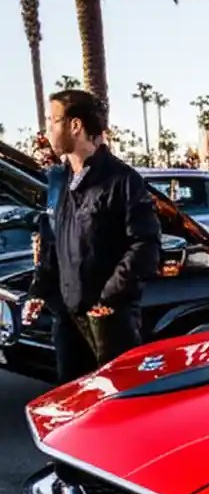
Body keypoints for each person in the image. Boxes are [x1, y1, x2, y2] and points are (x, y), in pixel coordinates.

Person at [23, 89, 162, 382]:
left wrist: (109, 298)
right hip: (68, 323)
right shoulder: (59, 180)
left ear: (75, 125)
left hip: (110, 324)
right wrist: (39, 290)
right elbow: (52, 240)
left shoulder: (122, 181)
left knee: (114, 407)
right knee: (74, 407)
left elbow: (145, 245)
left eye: (52, 120)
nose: (47, 129)